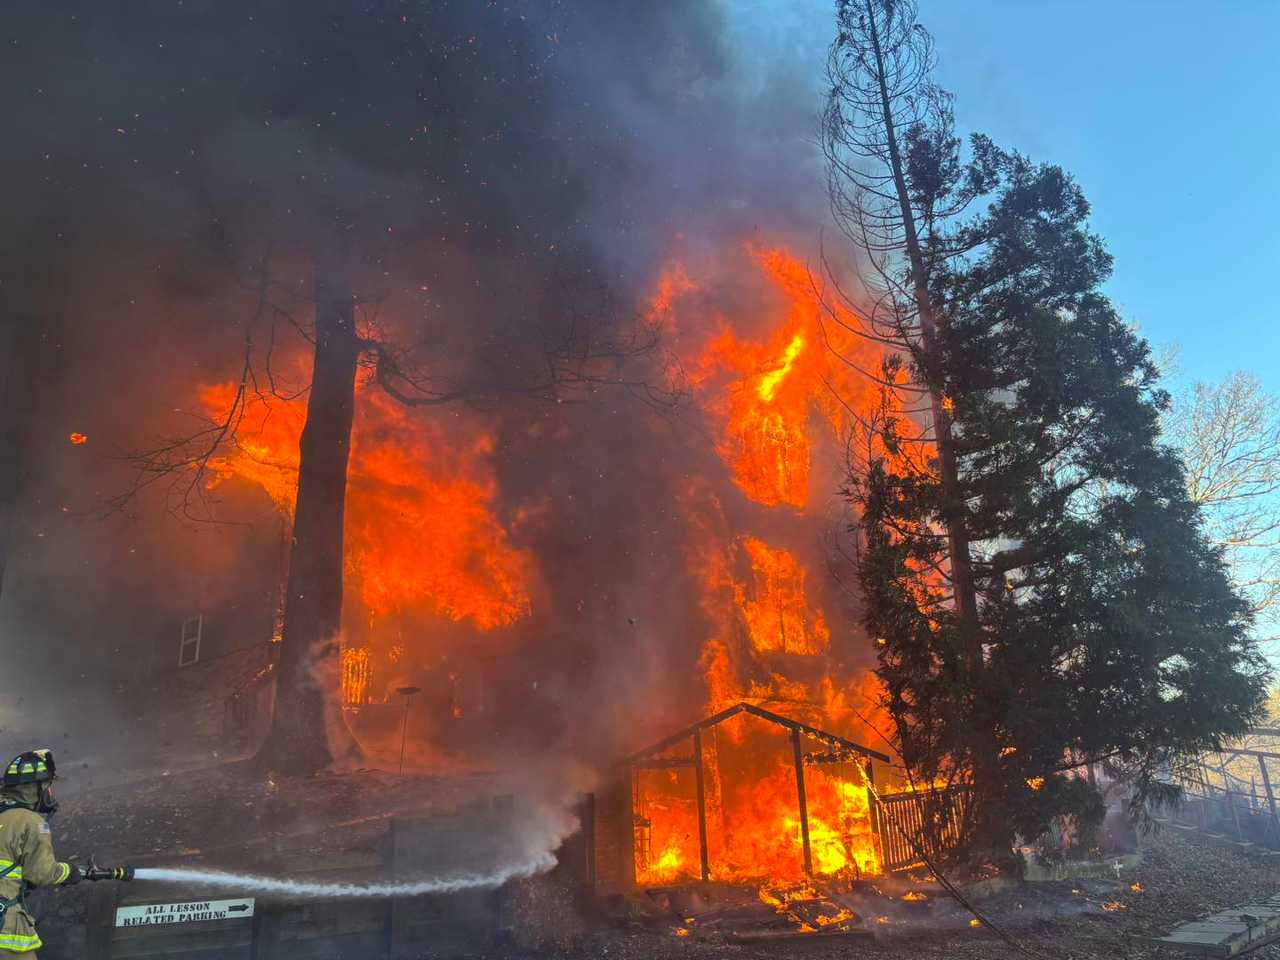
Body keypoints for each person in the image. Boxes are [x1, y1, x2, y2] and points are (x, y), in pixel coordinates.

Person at [0, 750, 82, 957]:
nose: (49, 794)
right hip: (5, 930)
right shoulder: (31, 821)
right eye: (47, 787)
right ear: (35, 788)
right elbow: (41, 873)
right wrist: (69, 872)